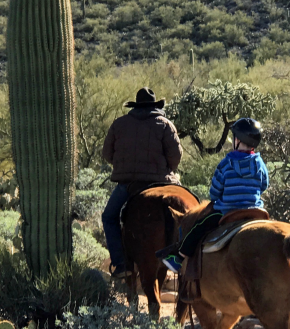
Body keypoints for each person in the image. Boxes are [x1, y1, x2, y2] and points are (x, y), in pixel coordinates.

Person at [161, 118, 268, 273]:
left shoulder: (226, 163)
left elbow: (215, 192)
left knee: (198, 228)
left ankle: (178, 258)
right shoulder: (259, 163)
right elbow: (263, 185)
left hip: (227, 212)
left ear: (237, 140)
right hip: (255, 211)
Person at [101, 88, 183, 279]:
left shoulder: (119, 124)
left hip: (129, 186)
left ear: (136, 106)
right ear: (155, 106)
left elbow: (107, 154)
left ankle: (121, 264)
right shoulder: (165, 125)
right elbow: (175, 158)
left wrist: (124, 166)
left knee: (109, 217)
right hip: (162, 182)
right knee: (187, 214)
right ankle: (184, 260)